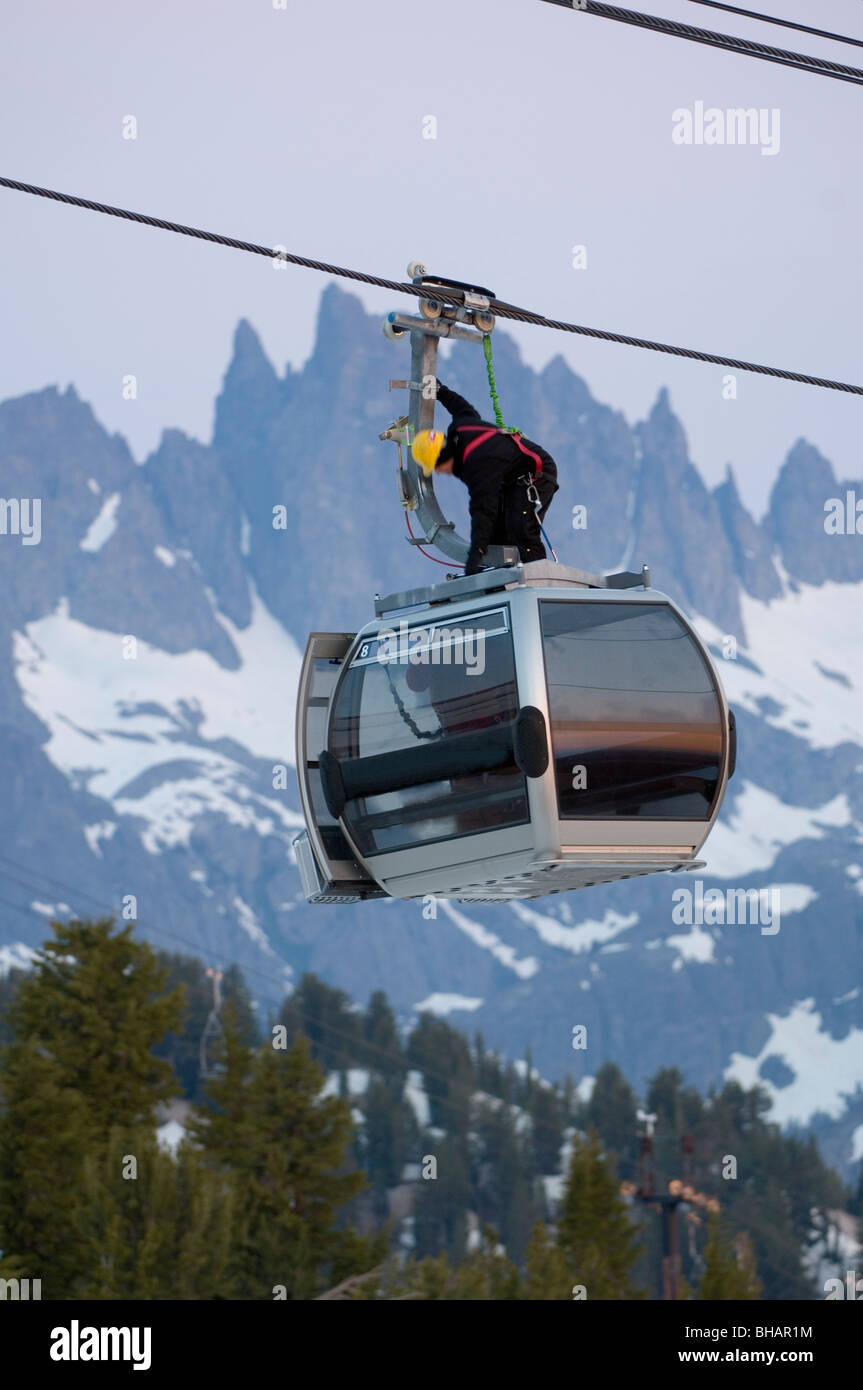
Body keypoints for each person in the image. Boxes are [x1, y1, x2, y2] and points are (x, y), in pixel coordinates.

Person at [412, 380, 559, 575]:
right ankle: (505, 578)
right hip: (510, 478)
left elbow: (483, 509)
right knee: (496, 537)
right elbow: (462, 408)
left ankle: (539, 578)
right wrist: (441, 392)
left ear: (444, 457)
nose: (438, 472)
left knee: (520, 527)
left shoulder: (477, 462)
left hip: (535, 474)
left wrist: (475, 556)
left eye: (436, 467)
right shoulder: (461, 429)